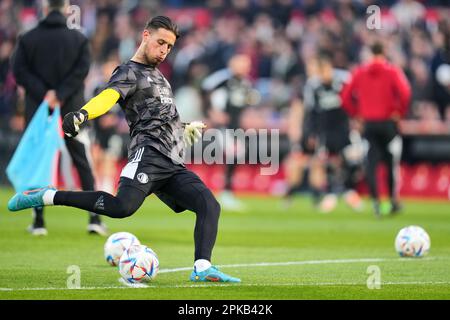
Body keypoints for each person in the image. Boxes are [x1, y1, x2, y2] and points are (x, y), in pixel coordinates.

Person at [8, 16, 241, 283]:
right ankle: (49, 196)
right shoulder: (128, 72)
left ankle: (202, 267)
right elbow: (109, 97)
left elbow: (161, 116)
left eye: (170, 47)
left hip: (171, 163)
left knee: (209, 204)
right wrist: (84, 114)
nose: (164, 50)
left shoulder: (161, 79)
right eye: (160, 42)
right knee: (121, 208)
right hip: (148, 154)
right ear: (145, 36)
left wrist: (184, 127)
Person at [11, 0, 106, 236]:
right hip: (71, 109)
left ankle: (39, 221)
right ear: (66, 9)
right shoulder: (78, 39)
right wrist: (61, 94)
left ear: (44, 9)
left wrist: (46, 94)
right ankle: (94, 217)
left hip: (39, 109)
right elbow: (81, 70)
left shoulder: (28, 37)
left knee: (40, 163)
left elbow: (19, 70)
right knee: (81, 160)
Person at [341, 41, 411, 217]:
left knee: (371, 162)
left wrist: (357, 114)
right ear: (384, 52)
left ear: (369, 53)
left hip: (368, 123)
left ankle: (376, 203)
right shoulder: (392, 71)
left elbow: (345, 97)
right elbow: (405, 93)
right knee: (390, 162)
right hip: (388, 123)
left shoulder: (359, 72)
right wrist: (399, 112)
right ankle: (393, 201)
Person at [303, 53, 364, 213]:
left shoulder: (344, 80)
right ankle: (330, 194)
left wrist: (357, 120)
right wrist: (311, 133)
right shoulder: (313, 86)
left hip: (345, 129)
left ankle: (349, 191)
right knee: (328, 163)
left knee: (353, 160)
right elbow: (311, 112)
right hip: (326, 130)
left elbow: (356, 100)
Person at [201, 53, 259, 211]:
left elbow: (247, 103)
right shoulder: (222, 78)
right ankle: (226, 192)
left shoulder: (245, 83)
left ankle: (226, 191)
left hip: (235, 126)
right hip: (222, 126)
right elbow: (204, 90)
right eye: (243, 64)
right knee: (235, 152)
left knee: (237, 153)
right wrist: (210, 113)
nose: (246, 68)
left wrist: (249, 116)